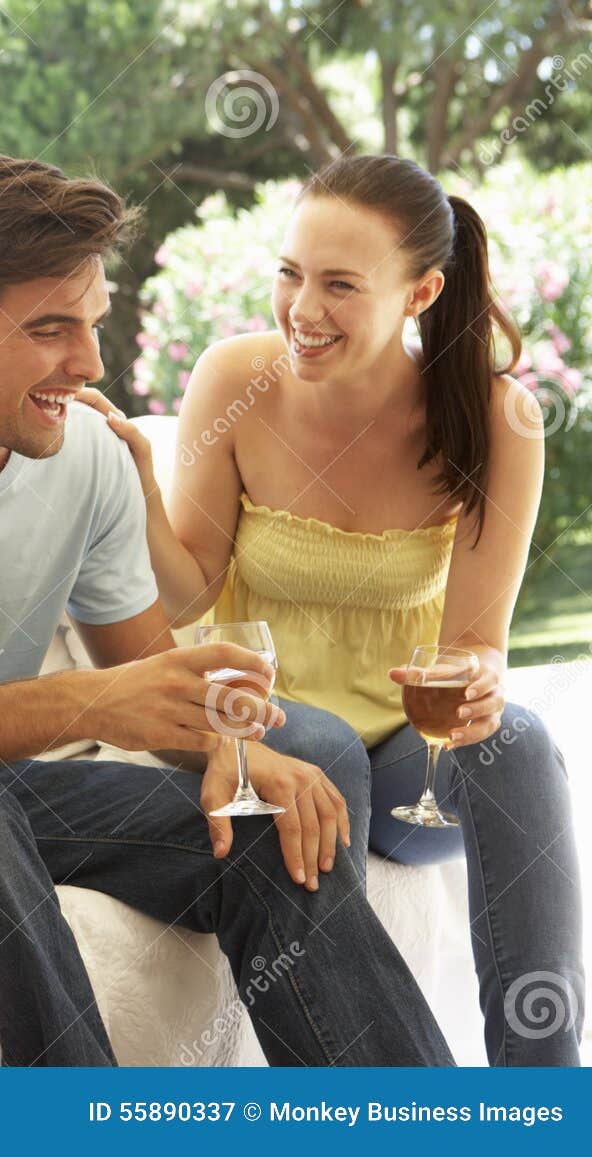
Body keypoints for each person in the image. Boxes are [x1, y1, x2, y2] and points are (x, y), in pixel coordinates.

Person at [0, 149, 457, 1066]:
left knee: (270, 824)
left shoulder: (86, 455)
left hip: (7, 786)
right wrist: (90, 703)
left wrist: (239, 753)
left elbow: (152, 675)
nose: (91, 362)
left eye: (94, 324)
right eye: (52, 329)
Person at [80, 153, 584, 1065]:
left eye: (341, 285)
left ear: (421, 292)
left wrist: (477, 683)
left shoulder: (496, 417)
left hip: (403, 759)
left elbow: (477, 643)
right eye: (290, 273)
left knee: (519, 743)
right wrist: (141, 493)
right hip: (262, 724)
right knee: (318, 745)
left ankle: (542, 1094)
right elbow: (191, 589)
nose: (302, 309)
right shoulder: (236, 379)